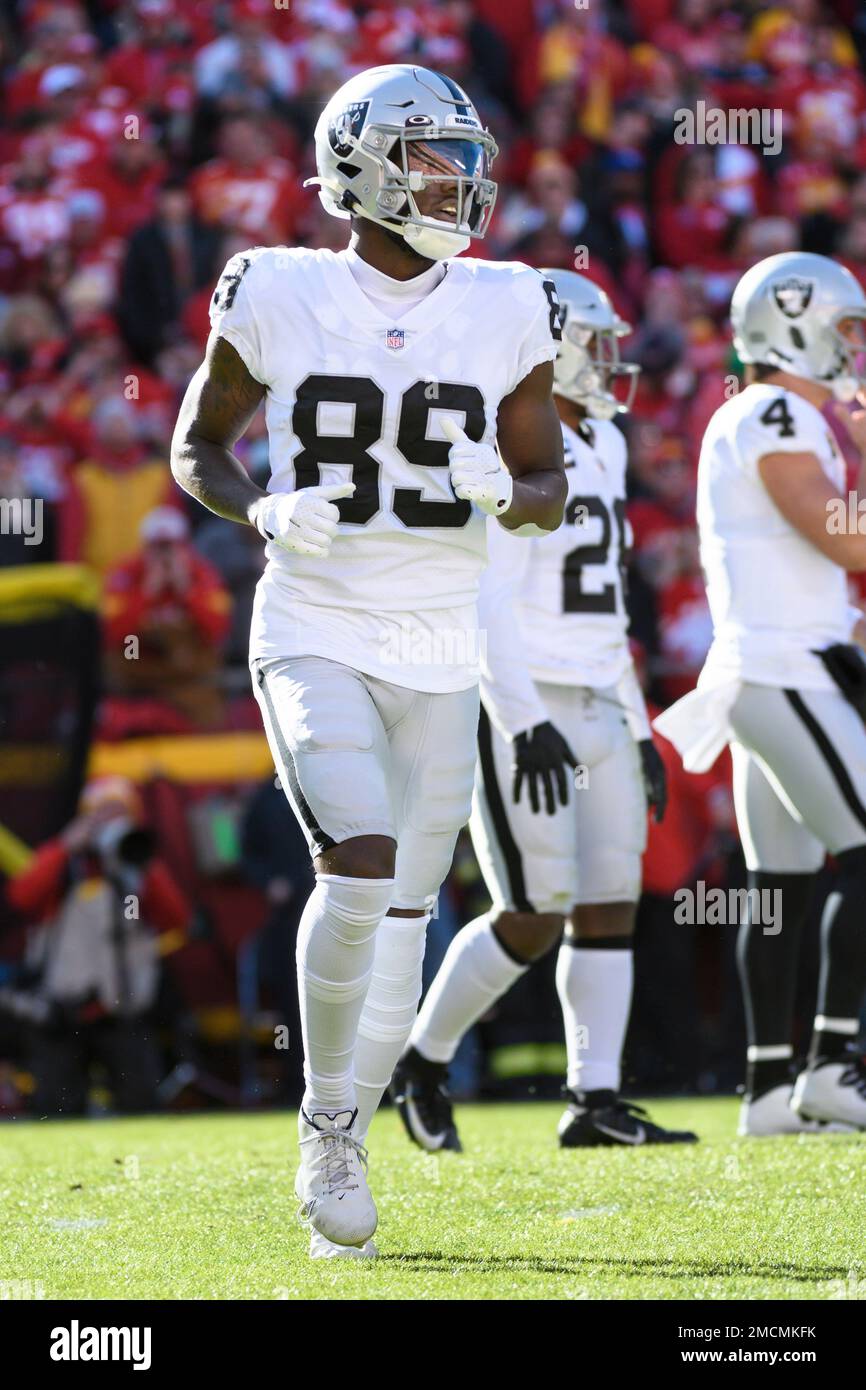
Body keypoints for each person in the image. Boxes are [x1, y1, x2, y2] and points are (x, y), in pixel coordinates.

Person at [171, 64, 566, 1258]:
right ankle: (326, 1127)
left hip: (440, 645)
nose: (459, 181)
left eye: (463, 158)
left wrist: (508, 491)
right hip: (317, 623)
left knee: (405, 919)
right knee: (357, 868)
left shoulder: (507, 301)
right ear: (360, 168)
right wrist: (260, 507)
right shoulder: (279, 288)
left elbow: (545, 485)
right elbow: (198, 447)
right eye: (432, 159)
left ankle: (358, 1100)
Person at [391, 270, 697, 1150]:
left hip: (599, 694)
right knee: (533, 909)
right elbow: (487, 597)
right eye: (594, 343)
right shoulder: (507, 437)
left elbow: (609, 610)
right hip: (523, 698)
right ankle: (423, 1059)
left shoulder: (604, 443)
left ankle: (593, 1100)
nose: (609, 360)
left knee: (610, 902)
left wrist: (636, 725)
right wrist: (522, 719)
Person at [656, 251, 866, 1135]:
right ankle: (834, 1062)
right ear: (797, 324)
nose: (855, 346)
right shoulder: (773, 410)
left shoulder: (772, 414)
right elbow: (843, 538)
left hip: (776, 665)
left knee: (776, 885)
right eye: (846, 328)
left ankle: (771, 1088)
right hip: (782, 671)